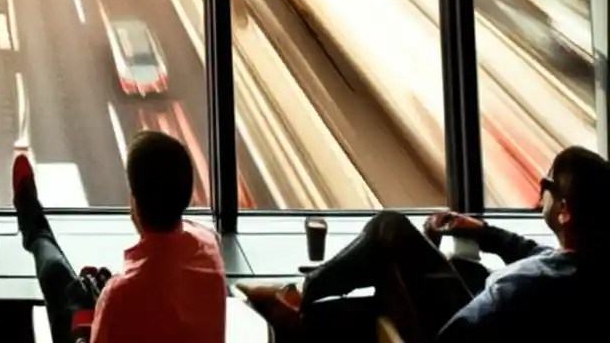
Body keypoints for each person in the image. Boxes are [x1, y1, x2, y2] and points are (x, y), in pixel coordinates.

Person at [239, 145, 610, 342]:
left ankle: (299, 296)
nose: (540, 191)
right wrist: (484, 233)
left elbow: (460, 332)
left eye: (547, 185)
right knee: (396, 284)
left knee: (389, 230)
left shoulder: (522, 288)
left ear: (564, 211)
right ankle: (295, 318)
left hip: (456, 328)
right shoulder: (588, 264)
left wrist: (404, 287)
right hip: (481, 310)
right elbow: (539, 255)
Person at [14, 131, 227, 343]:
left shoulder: (119, 295)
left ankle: (33, 225)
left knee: (57, 276)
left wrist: (93, 315)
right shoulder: (210, 246)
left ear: (135, 202)